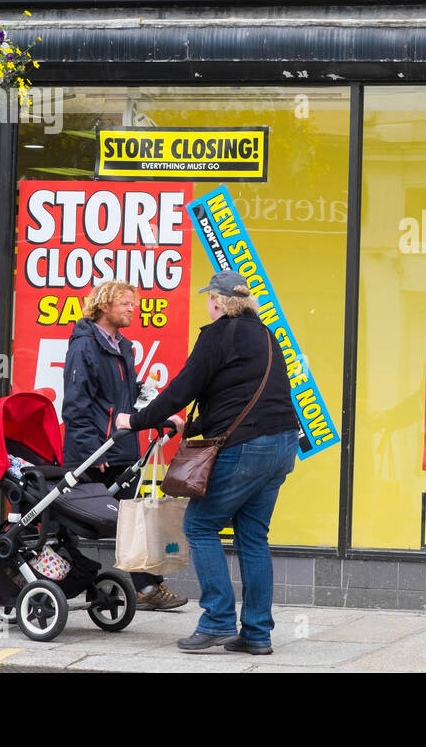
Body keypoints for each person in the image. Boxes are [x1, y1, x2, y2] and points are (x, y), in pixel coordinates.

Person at [116, 269, 299, 654]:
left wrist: (136, 420)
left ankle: (216, 619)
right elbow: (241, 396)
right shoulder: (267, 335)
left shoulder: (218, 334)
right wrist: (191, 425)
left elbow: (182, 387)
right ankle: (256, 633)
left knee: (199, 525)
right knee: (253, 537)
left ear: (216, 301)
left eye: (209, 300)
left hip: (248, 447)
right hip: (282, 443)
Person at [63, 280, 187, 611]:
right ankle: (139, 587)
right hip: (97, 454)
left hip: (122, 449)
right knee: (79, 522)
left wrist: (163, 413)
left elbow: (129, 394)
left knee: (133, 520)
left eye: (133, 303)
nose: (133, 308)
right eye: (125, 303)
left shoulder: (125, 347)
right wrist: (91, 450)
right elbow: (76, 405)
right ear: (104, 306)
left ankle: (148, 588)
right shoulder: (84, 347)